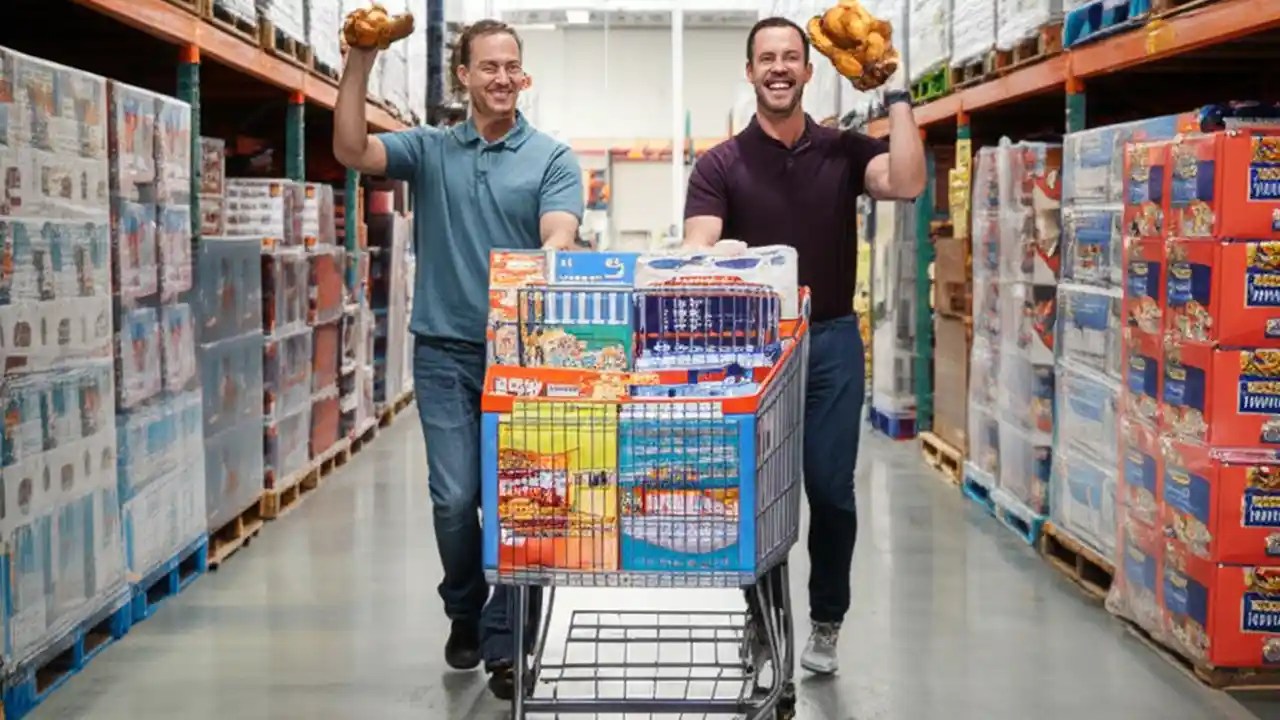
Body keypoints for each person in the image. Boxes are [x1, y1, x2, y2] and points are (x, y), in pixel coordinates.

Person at [332, 19, 584, 699]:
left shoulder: (553, 157)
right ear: (464, 77)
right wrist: (360, 60)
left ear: (523, 77)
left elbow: (560, 223)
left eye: (513, 67)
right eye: (489, 67)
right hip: (445, 349)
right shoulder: (432, 150)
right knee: (455, 498)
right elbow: (352, 148)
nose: (502, 78)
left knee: (519, 504)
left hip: (525, 354)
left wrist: (555, 251)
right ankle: (465, 608)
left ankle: (504, 645)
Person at [682, 16, 926, 676]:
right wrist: (712, 253)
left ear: (810, 71)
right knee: (758, 494)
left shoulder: (843, 151)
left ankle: (826, 618)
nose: (780, 68)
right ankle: (760, 623)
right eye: (767, 58)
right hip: (751, 348)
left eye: (792, 57)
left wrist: (897, 92)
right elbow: (695, 243)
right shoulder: (720, 164)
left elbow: (905, 183)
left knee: (830, 489)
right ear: (751, 70)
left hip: (832, 340)